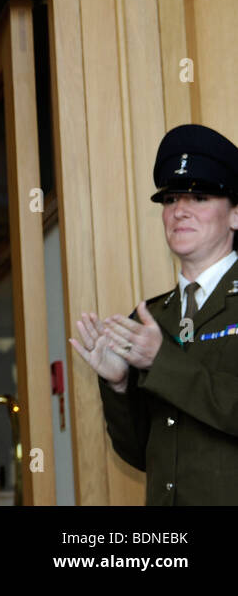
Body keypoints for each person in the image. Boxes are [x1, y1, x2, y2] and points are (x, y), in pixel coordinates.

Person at [72, 123, 238, 505]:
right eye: (170, 199)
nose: (179, 210)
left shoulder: (151, 339)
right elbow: (139, 453)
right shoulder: (149, 317)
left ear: (233, 216)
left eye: (199, 199)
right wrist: (118, 386)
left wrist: (160, 361)